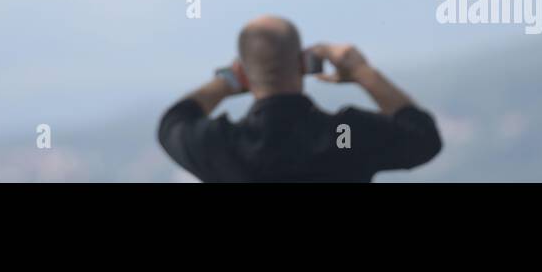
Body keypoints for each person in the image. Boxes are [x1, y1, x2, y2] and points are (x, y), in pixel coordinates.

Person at [157, 15, 442, 182]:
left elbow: (173, 123)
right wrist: (361, 71)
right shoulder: (347, 136)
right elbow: (423, 136)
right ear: (305, 64)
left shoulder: (224, 147)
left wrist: (227, 81)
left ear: (244, 72)